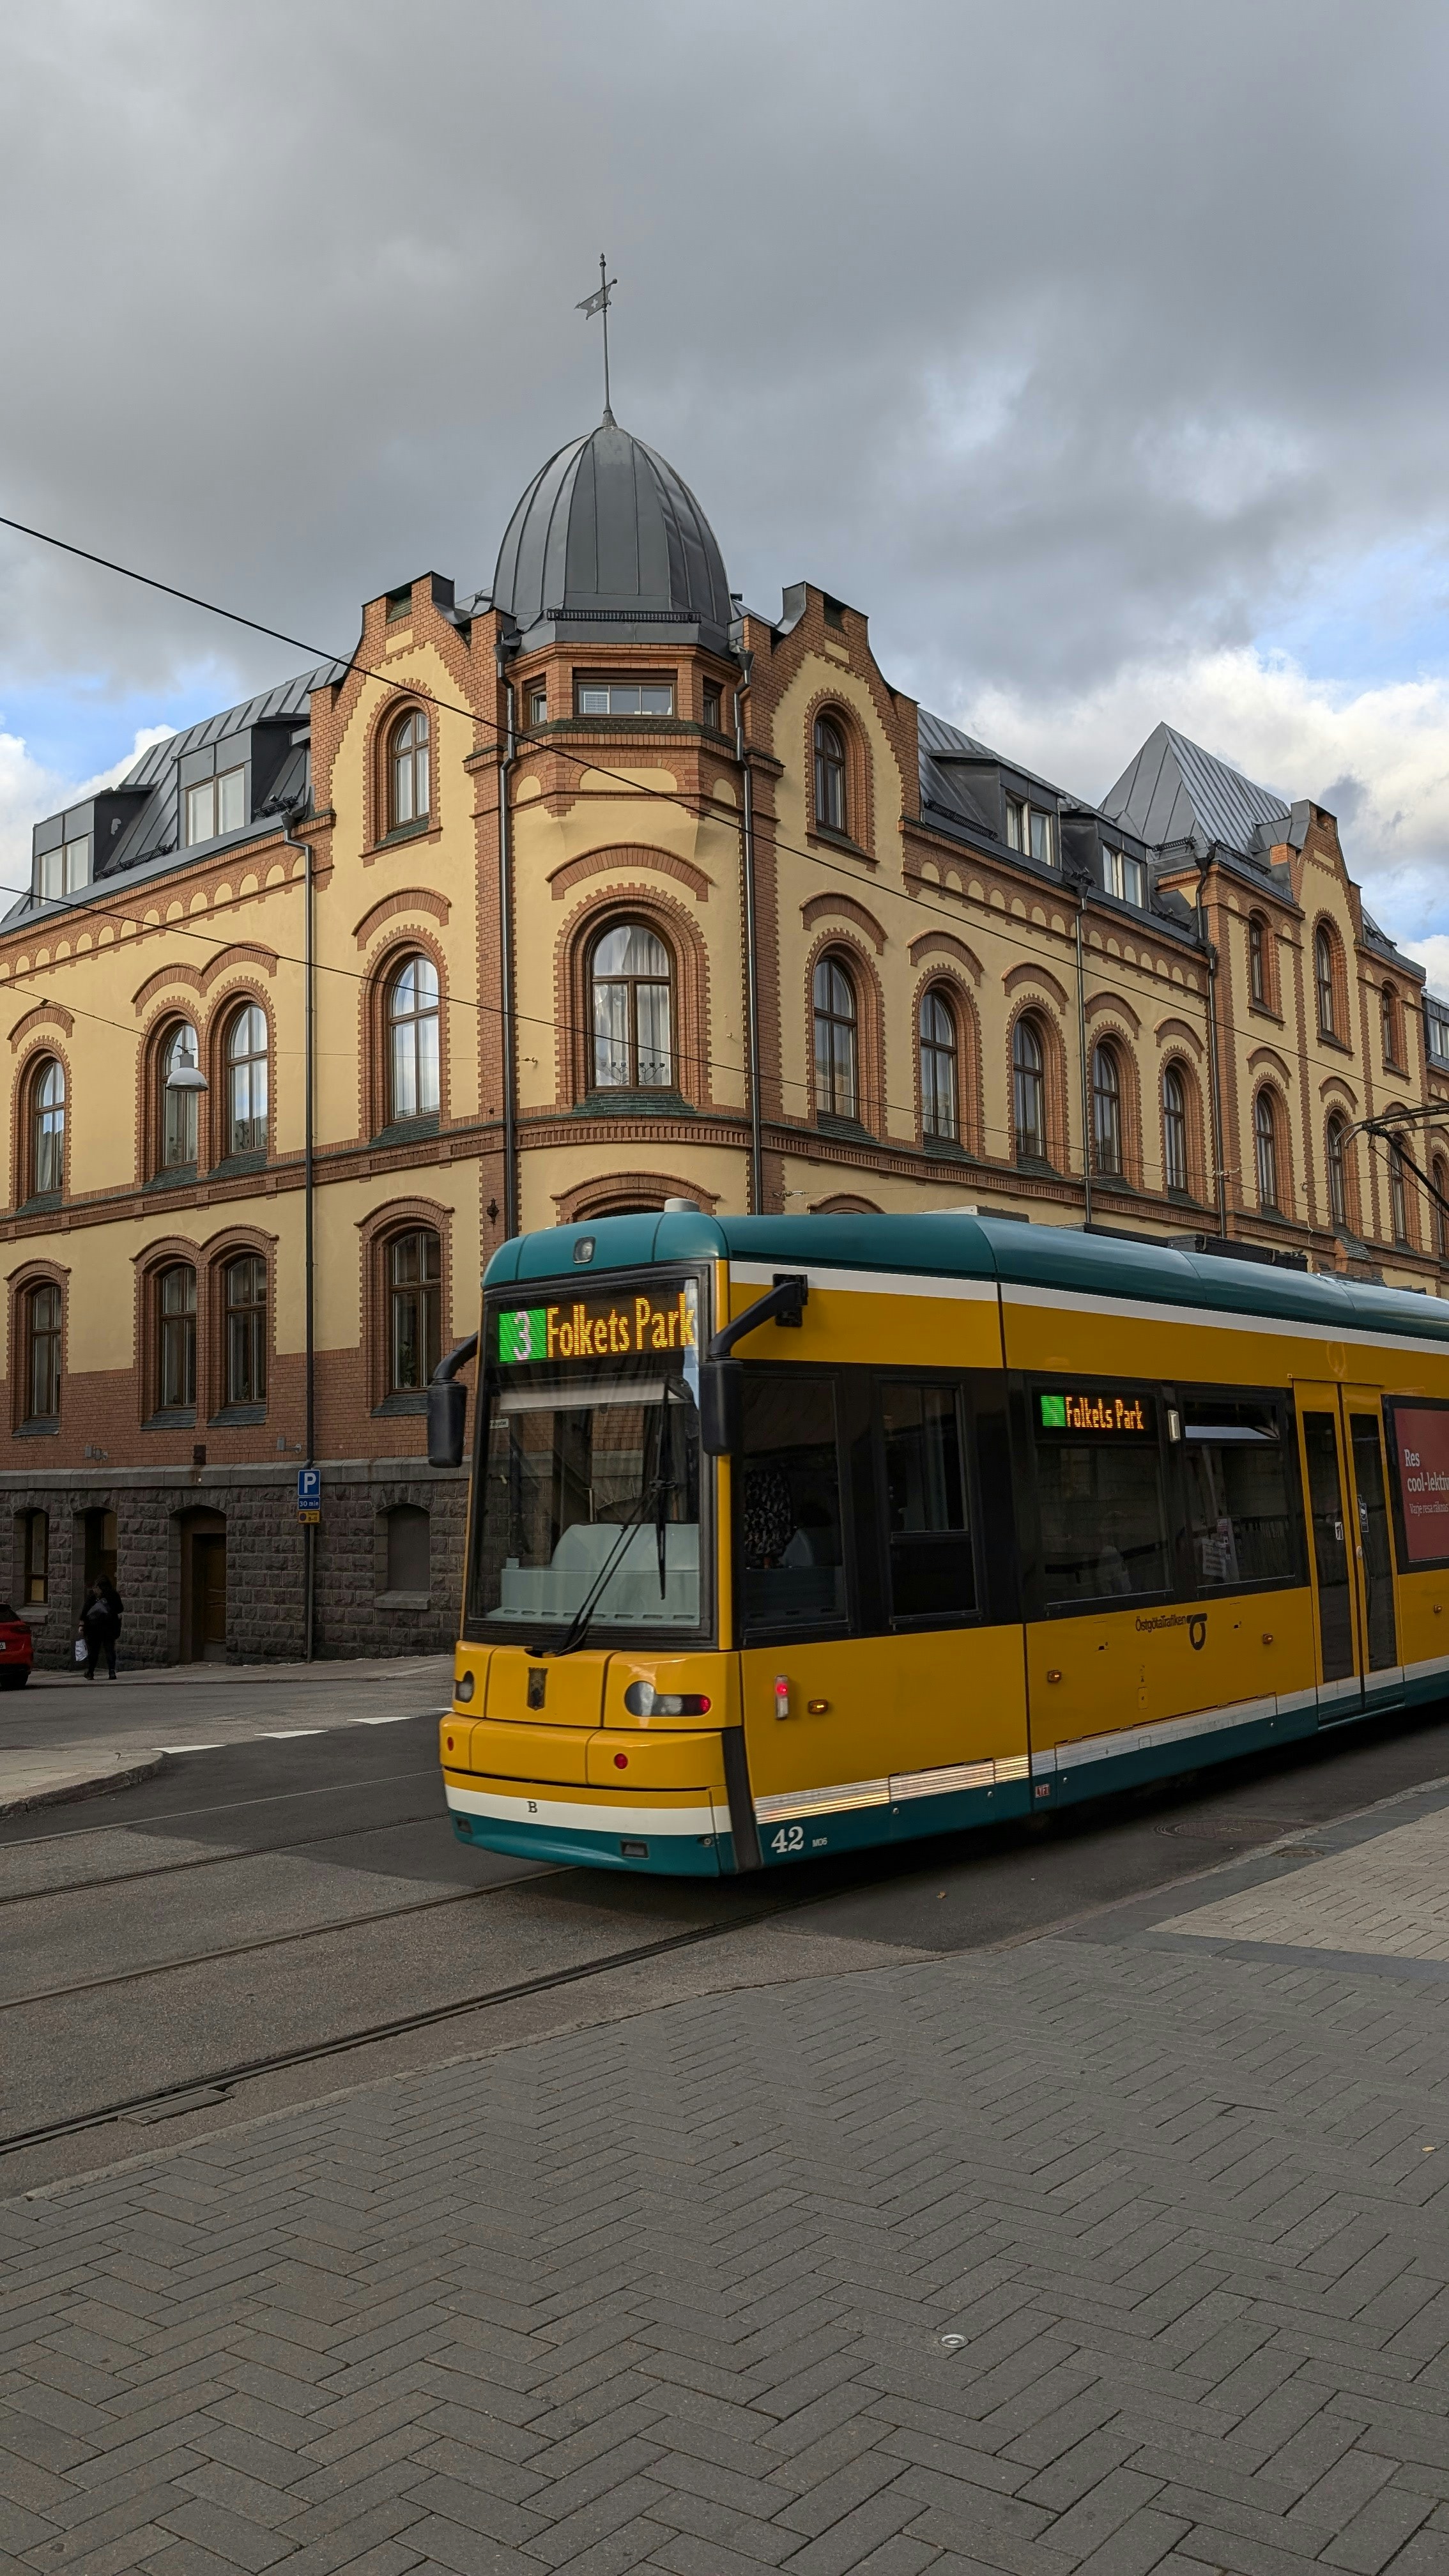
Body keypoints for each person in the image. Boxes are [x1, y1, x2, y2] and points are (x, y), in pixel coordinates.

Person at [79, 1575, 123, 1681]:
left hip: (95, 1628)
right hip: (109, 1627)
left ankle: (91, 1672)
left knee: (94, 1651)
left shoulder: (93, 1597)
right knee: (109, 1650)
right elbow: (120, 1609)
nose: (95, 1590)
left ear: (101, 1588)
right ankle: (111, 1672)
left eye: (97, 1587)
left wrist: (82, 1625)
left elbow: (85, 1612)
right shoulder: (114, 1595)